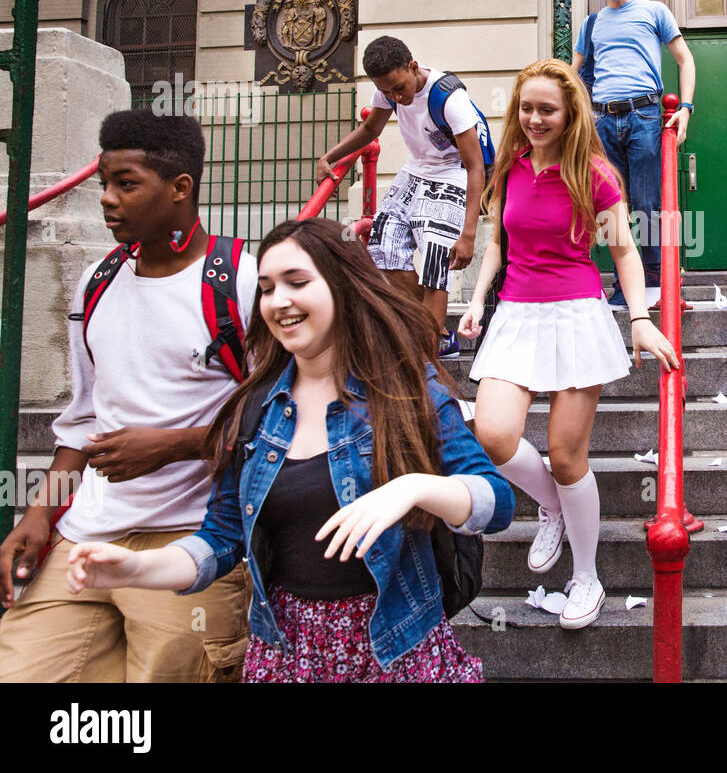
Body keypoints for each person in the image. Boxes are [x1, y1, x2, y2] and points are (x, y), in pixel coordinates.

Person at [65, 217, 514, 683]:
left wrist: (414, 489)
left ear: (343, 287)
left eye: (296, 282)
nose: (278, 301)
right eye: (266, 288)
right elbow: (219, 540)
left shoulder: (407, 389)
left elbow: (496, 502)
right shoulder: (254, 408)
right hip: (284, 656)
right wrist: (138, 567)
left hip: (397, 651)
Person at [0, 109, 254, 682]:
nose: (108, 200)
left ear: (181, 188)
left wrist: (175, 446)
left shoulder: (239, 280)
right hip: (85, 536)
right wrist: (38, 515)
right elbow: (82, 423)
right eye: (104, 185)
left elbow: (287, 420)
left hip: (192, 540)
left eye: (126, 184)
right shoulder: (96, 282)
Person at [458, 58, 678, 629]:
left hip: (578, 313)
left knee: (565, 453)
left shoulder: (596, 175)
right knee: (494, 433)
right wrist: (478, 300)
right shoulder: (508, 170)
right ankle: (551, 506)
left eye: (546, 109)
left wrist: (640, 317)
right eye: (526, 108)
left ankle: (587, 576)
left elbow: (625, 251)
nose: (534, 118)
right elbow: (497, 247)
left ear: (570, 113)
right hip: (516, 314)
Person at [316, 35, 486, 359]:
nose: (395, 97)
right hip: (414, 172)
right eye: (386, 92)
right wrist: (331, 157)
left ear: (412, 66)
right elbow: (370, 130)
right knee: (383, 251)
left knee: (437, 259)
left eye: (398, 88)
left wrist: (468, 234)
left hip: (452, 173)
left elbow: (475, 166)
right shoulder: (387, 89)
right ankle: (439, 331)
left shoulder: (449, 98)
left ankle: (427, 356)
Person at [572, 0, 696, 310]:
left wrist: (685, 108)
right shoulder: (591, 24)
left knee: (648, 201)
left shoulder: (654, 11)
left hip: (643, 115)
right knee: (611, 204)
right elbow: (572, 75)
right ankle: (622, 283)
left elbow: (685, 60)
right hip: (602, 118)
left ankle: (657, 278)